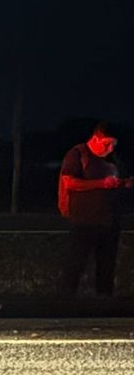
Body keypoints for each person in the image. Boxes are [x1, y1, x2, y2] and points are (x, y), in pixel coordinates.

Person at [59, 122, 130, 297]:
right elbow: (69, 182)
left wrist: (123, 184)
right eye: (107, 144)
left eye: (113, 145)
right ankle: (64, 302)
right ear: (96, 138)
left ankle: (103, 304)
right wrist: (100, 184)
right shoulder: (77, 154)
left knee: (106, 267)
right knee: (75, 264)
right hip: (84, 221)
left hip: (109, 222)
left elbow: (114, 183)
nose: (110, 149)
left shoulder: (112, 160)